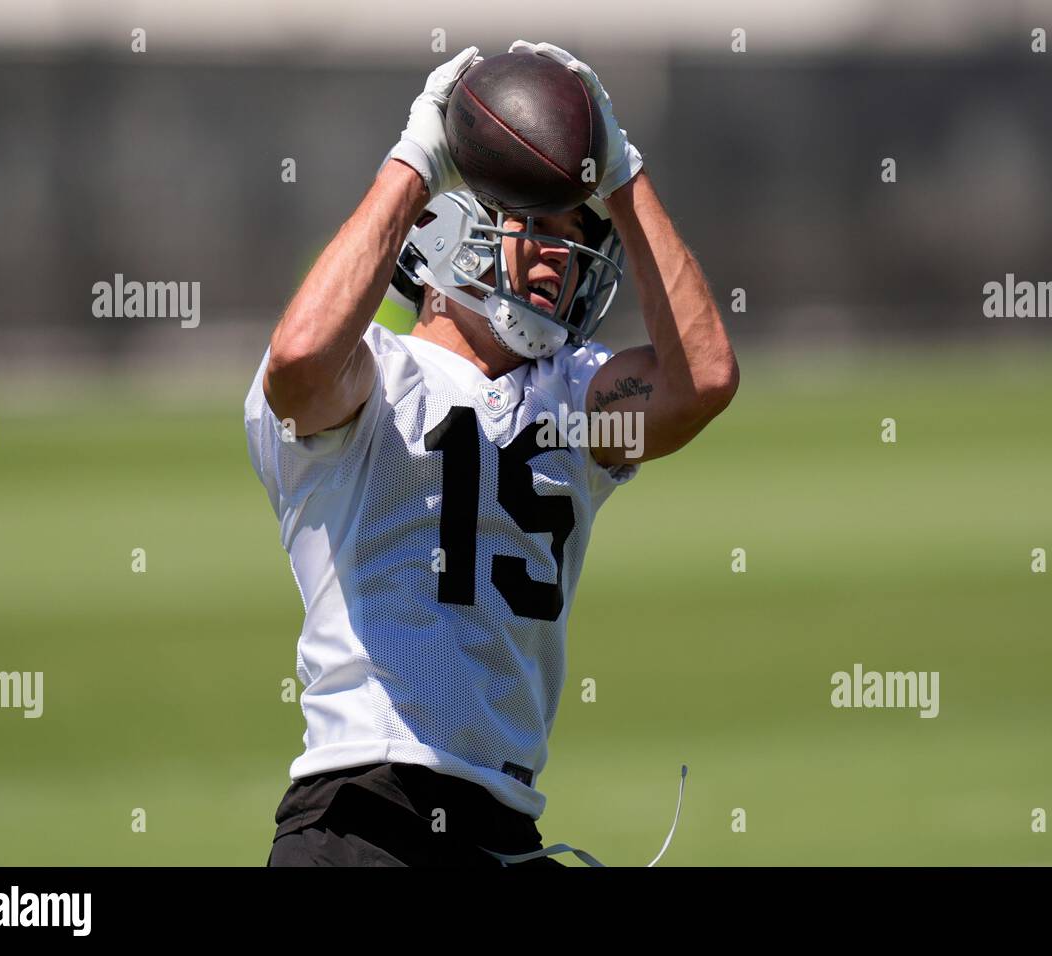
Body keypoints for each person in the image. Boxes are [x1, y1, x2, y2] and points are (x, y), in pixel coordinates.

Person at [246, 40, 738, 866]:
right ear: (450, 226)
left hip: (503, 831)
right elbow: (297, 364)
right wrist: (416, 162)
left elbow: (704, 381)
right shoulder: (373, 380)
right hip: (363, 817)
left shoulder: (578, 407)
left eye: (577, 231)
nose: (562, 253)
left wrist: (622, 174)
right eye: (537, 223)